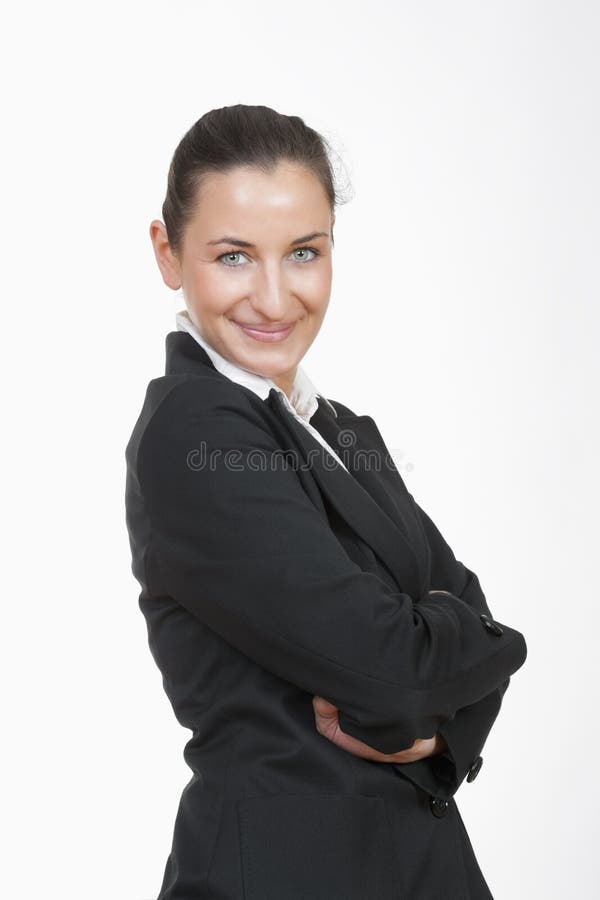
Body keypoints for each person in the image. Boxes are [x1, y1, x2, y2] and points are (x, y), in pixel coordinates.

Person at [125, 104, 527, 900]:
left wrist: (440, 719)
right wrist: (457, 653)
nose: (275, 300)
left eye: (303, 253)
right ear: (168, 253)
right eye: (234, 257)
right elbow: (399, 670)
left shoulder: (338, 429)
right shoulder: (194, 430)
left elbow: (473, 619)